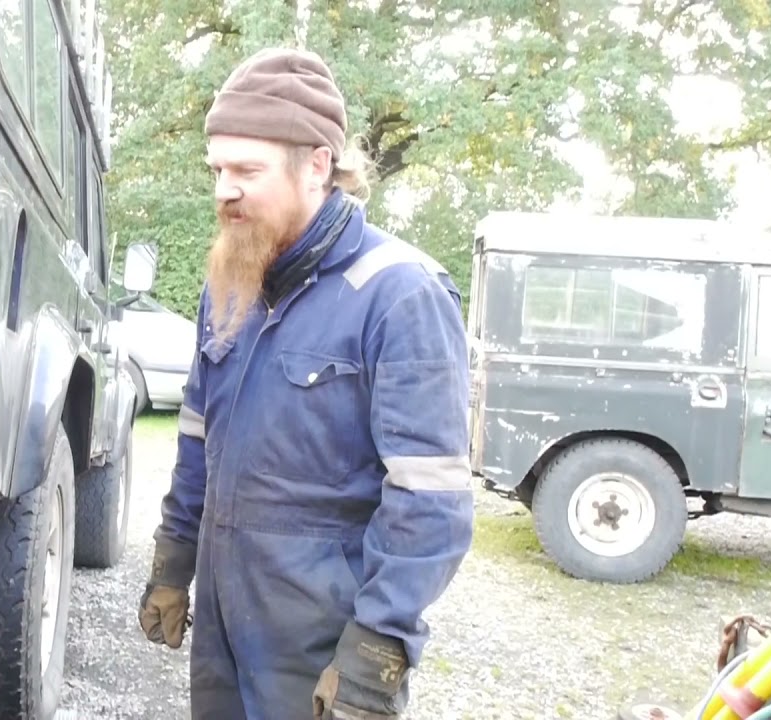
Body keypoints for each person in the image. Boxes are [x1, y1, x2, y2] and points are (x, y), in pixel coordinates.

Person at [137, 46, 475, 720]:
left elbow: (429, 502)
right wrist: (174, 560)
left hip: (321, 644)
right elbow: (198, 437)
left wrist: (376, 651)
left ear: (318, 163)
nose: (222, 189)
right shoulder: (232, 278)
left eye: (246, 170)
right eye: (217, 168)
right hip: (226, 629)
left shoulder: (399, 295)